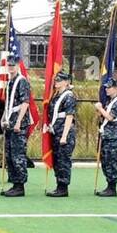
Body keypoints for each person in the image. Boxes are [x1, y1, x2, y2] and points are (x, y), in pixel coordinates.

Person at [0, 63, 32, 198]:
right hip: (9, 123)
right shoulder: (10, 82)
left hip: (19, 124)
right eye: (9, 65)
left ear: (18, 66)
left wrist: (18, 121)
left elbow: (25, 102)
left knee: (18, 155)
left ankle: (20, 186)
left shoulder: (21, 81)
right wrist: (3, 118)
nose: (11, 67)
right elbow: (8, 105)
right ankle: (14, 183)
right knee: (10, 155)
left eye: (13, 65)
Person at [44, 68, 76, 196]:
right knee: (58, 160)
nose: (56, 82)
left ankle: (63, 188)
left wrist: (64, 136)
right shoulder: (56, 95)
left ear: (66, 82)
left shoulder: (69, 96)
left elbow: (69, 116)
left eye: (59, 80)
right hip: (55, 133)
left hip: (64, 134)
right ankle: (59, 186)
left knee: (63, 161)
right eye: (56, 80)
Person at [94, 77, 117, 197]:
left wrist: (100, 109)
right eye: (106, 87)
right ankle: (108, 184)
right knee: (105, 161)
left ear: (116, 88)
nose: (106, 89)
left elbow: (110, 117)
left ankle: (112, 187)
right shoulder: (109, 101)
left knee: (111, 161)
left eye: (109, 87)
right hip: (107, 135)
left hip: (113, 136)